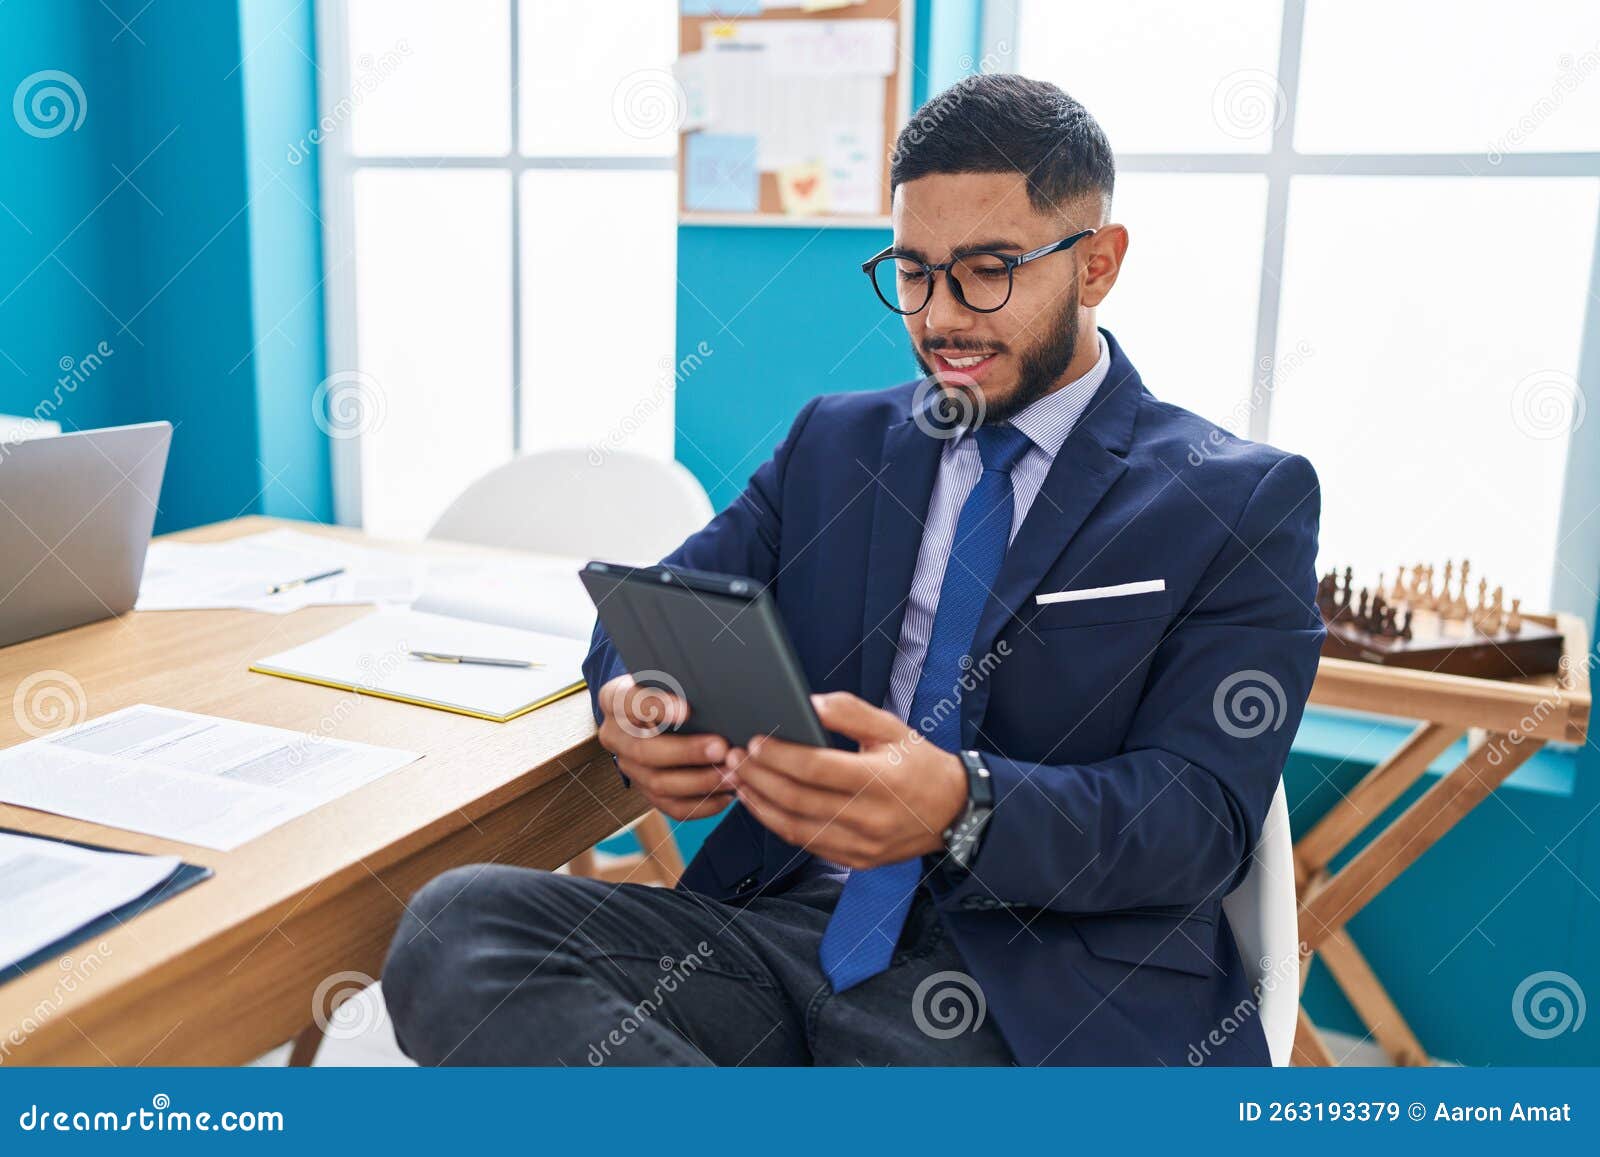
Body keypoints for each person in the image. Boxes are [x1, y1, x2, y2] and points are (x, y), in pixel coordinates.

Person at [382, 73, 1324, 1067]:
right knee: (459, 927)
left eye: (988, 269)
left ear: (1097, 264)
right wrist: (633, 696)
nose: (941, 315)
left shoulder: (1236, 499)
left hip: (1036, 996)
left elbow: (1196, 819)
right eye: (912, 271)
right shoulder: (837, 442)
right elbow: (653, 602)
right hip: (792, 935)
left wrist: (961, 805)